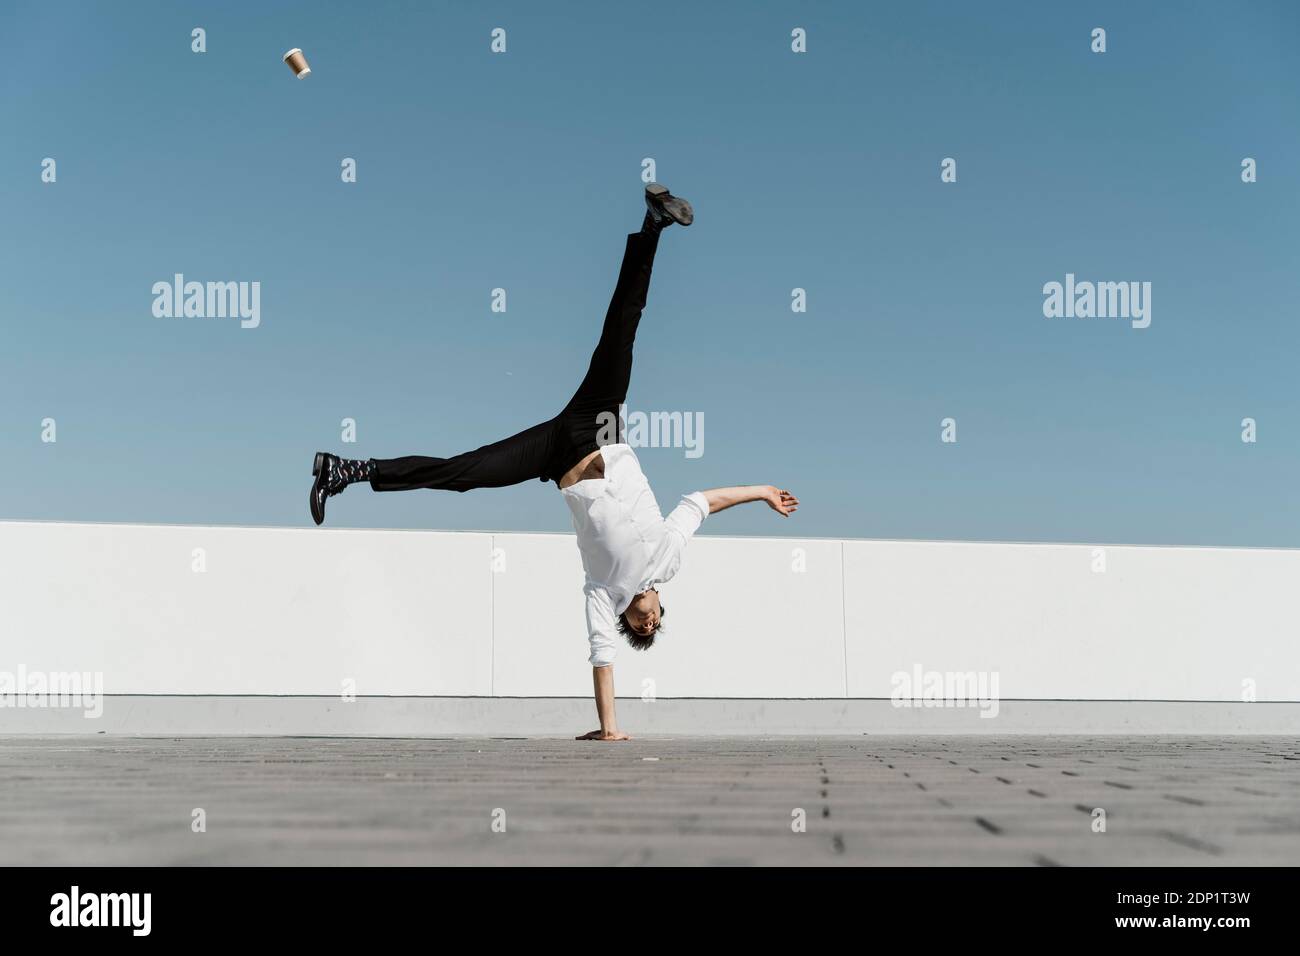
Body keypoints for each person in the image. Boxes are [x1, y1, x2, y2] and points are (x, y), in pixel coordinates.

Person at [308, 184, 799, 740]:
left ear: (628, 620)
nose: (651, 620)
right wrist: (760, 490)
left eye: (643, 627)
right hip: (601, 427)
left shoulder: (603, 593)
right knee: (623, 328)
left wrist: (609, 730)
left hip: (555, 458)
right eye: (656, 622)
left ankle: (346, 470)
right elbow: (701, 502)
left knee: (461, 474)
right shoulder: (669, 556)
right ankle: (654, 224)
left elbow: (602, 663)